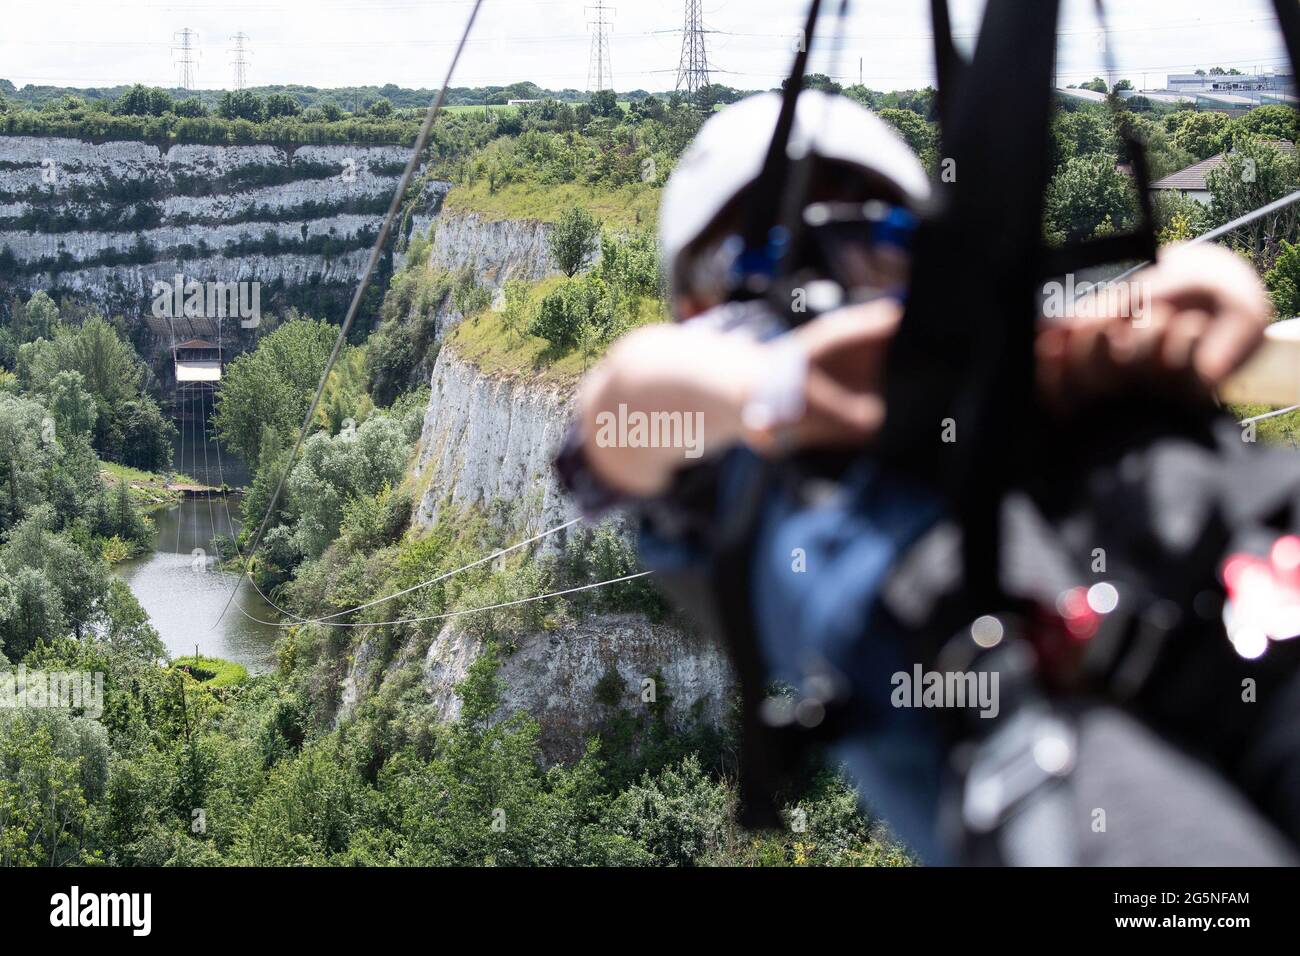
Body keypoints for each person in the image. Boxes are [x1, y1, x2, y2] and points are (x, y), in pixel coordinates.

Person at [557, 90, 1294, 864]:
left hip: (1234, 593)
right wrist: (781, 386)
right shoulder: (717, 440)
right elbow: (612, 415)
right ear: (699, 302)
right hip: (1021, 735)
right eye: (766, 249)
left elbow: (1155, 301)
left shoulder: (976, 347)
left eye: (874, 231)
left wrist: (1177, 302)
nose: (829, 270)